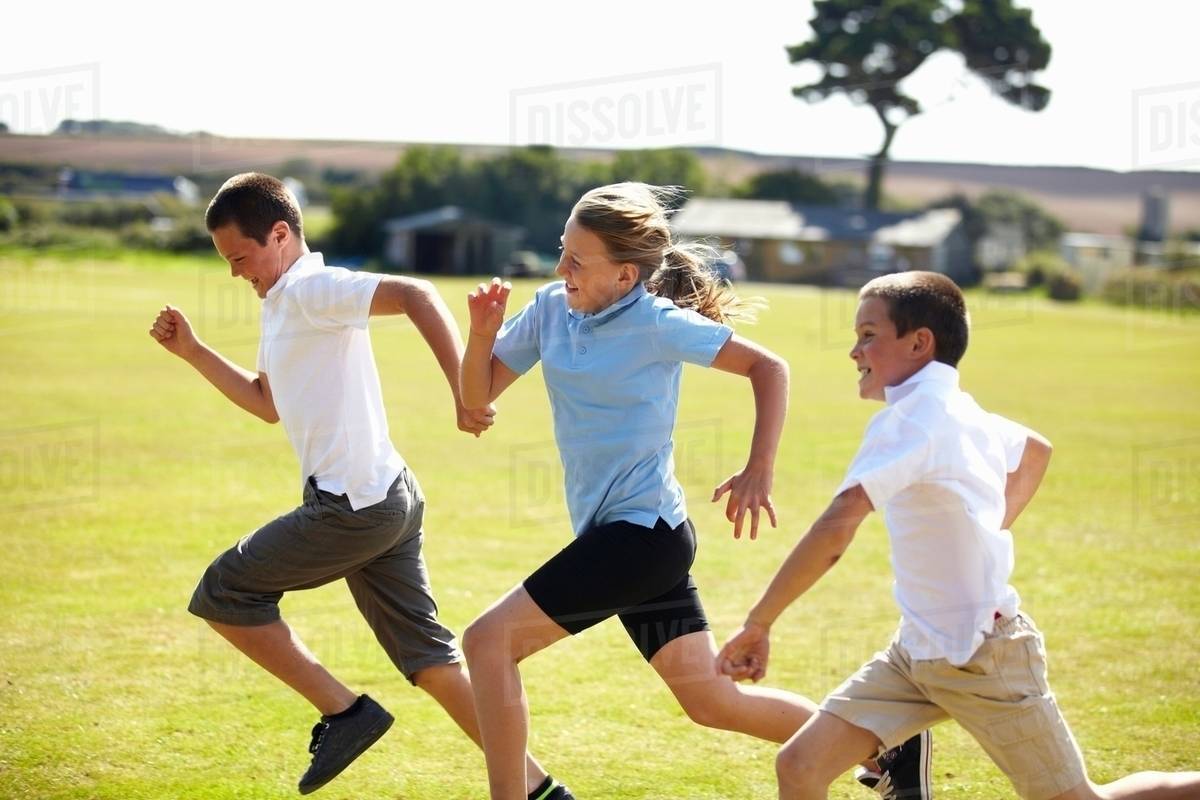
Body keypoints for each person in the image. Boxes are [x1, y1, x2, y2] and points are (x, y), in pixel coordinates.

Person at [458, 182, 927, 800]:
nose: (560, 267)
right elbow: (476, 398)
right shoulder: (550, 308)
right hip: (628, 538)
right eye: (562, 250)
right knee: (712, 701)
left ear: (626, 275)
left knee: (487, 642)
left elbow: (769, 368)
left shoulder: (656, 323)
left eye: (577, 259)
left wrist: (759, 467)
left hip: (641, 537)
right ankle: (889, 740)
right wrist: (483, 333)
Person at [149, 173, 572, 799]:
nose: (237, 273)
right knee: (432, 663)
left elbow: (417, 293)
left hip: (353, 507)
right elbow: (268, 403)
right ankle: (541, 791)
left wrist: (464, 389)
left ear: (281, 234)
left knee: (223, 591)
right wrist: (194, 351)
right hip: (388, 497)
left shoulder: (313, 287)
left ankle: (346, 712)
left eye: (241, 257)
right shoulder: (282, 298)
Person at [717, 271, 1200, 799]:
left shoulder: (914, 419)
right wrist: (987, 525)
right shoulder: (957, 409)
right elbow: (1035, 448)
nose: (855, 351)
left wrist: (759, 622)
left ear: (920, 342)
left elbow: (839, 524)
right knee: (801, 765)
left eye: (869, 335)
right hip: (916, 653)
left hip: (984, 656)